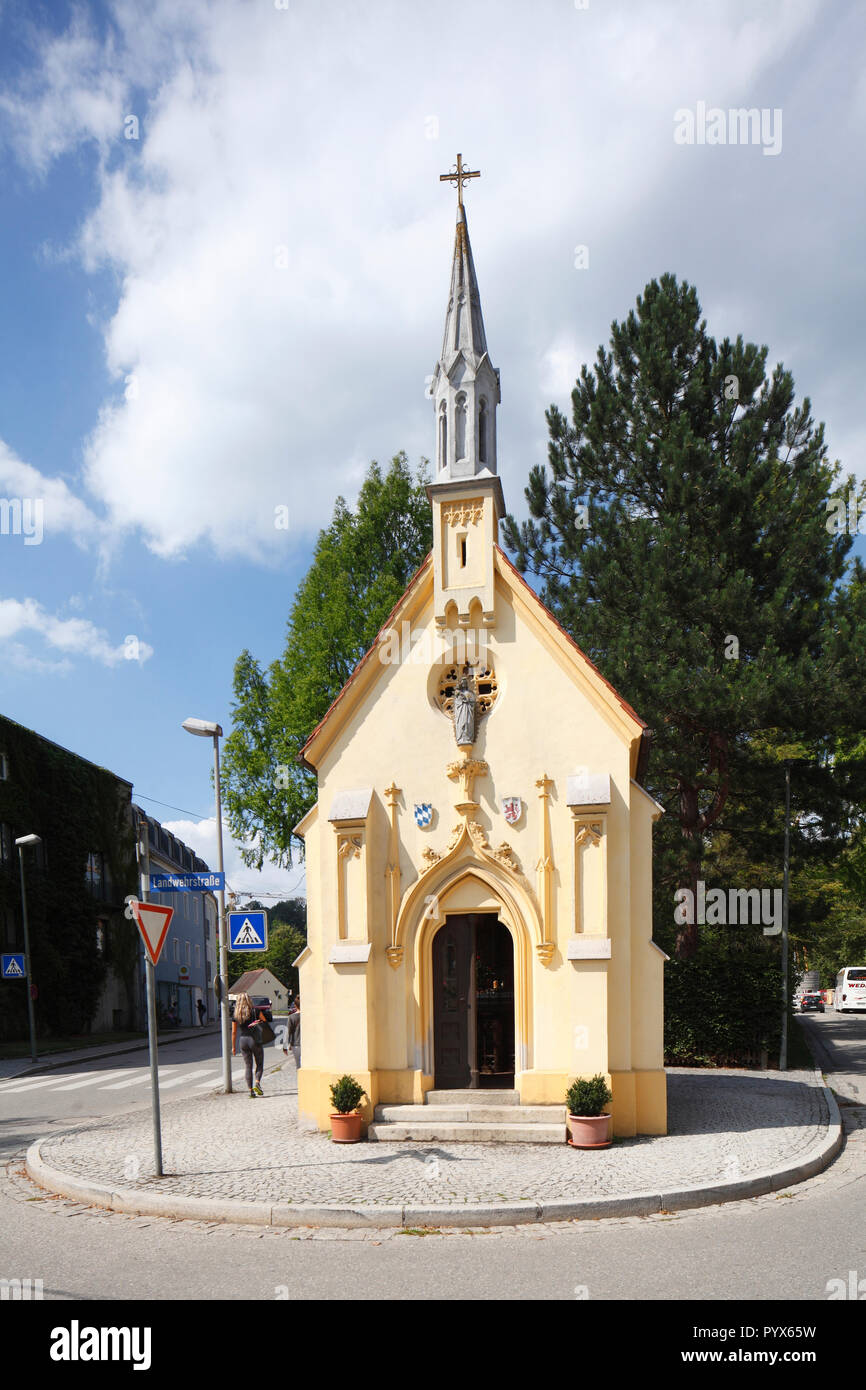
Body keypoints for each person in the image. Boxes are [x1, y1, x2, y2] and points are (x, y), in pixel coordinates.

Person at [232, 992, 268, 1098]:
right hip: (255, 1039)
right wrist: (255, 1023)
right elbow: (264, 1022)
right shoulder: (256, 1011)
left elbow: (234, 1032)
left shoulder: (236, 1014)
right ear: (249, 1000)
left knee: (248, 1066)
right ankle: (257, 1082)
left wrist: (233, 1047)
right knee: (259, 1063)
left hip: (243, 1040)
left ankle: (250, 1091)